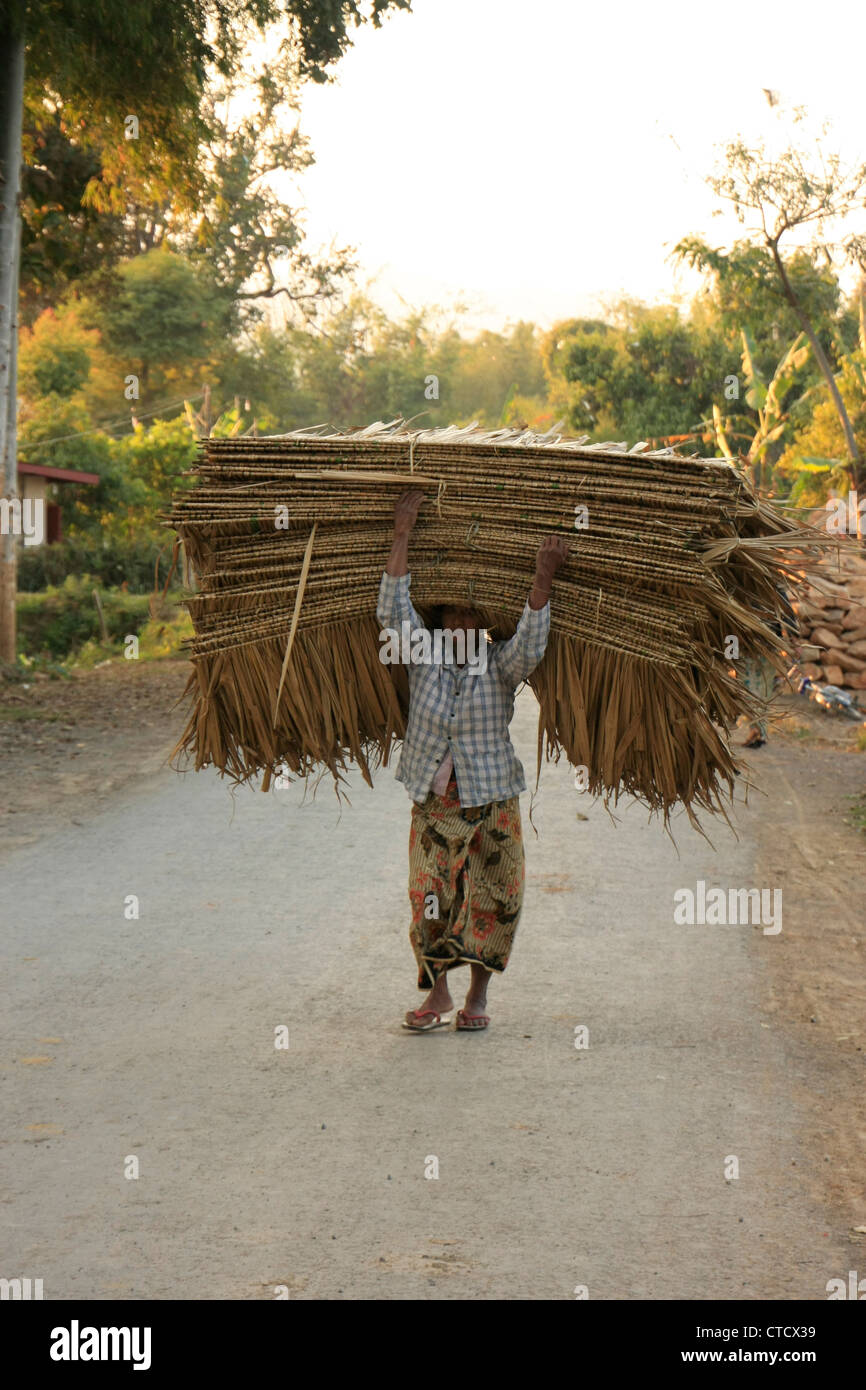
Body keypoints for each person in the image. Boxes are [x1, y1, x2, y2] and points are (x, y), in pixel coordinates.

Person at [376, 488, 570, 1032]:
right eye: (452, 614)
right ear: (440, 620)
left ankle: (477, 1000)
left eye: (470, 615)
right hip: (435, 803)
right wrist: (402, 533)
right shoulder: (423, 656)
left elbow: (532, 643)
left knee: (494, 895)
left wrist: (542, 577)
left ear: (481, 622)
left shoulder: (499, 666)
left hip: (492, 801)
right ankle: (436, 995)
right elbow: (391, 610)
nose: (460, 622)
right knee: (429, 898)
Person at [738, 586, 801, 748]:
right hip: (754, 643)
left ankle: (758, 729)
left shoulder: (741, 579)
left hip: (754, 643)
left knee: (752, 687)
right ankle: (760, 731)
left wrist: (794, 641)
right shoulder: (767, 580)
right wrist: (795, 641)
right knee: (760, 689)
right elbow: (788, 613)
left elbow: (786, 612)